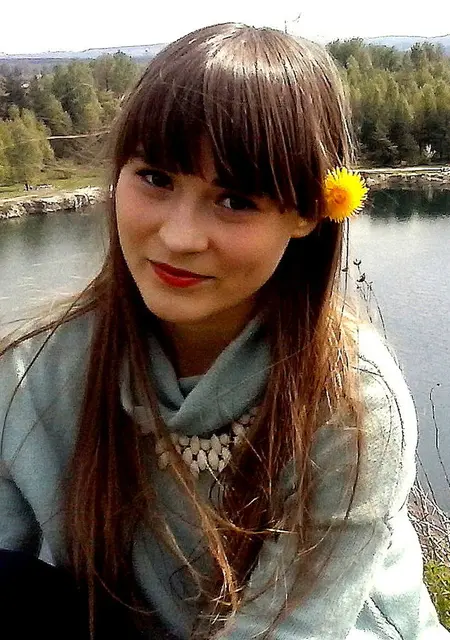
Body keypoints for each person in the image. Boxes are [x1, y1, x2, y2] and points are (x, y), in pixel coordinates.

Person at [0, 22, 447, 640]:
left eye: (235, 200)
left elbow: (294, 630)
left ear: (308, 214)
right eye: (156, 178)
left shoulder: (350, 403)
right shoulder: (32, 370)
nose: (180, 236)